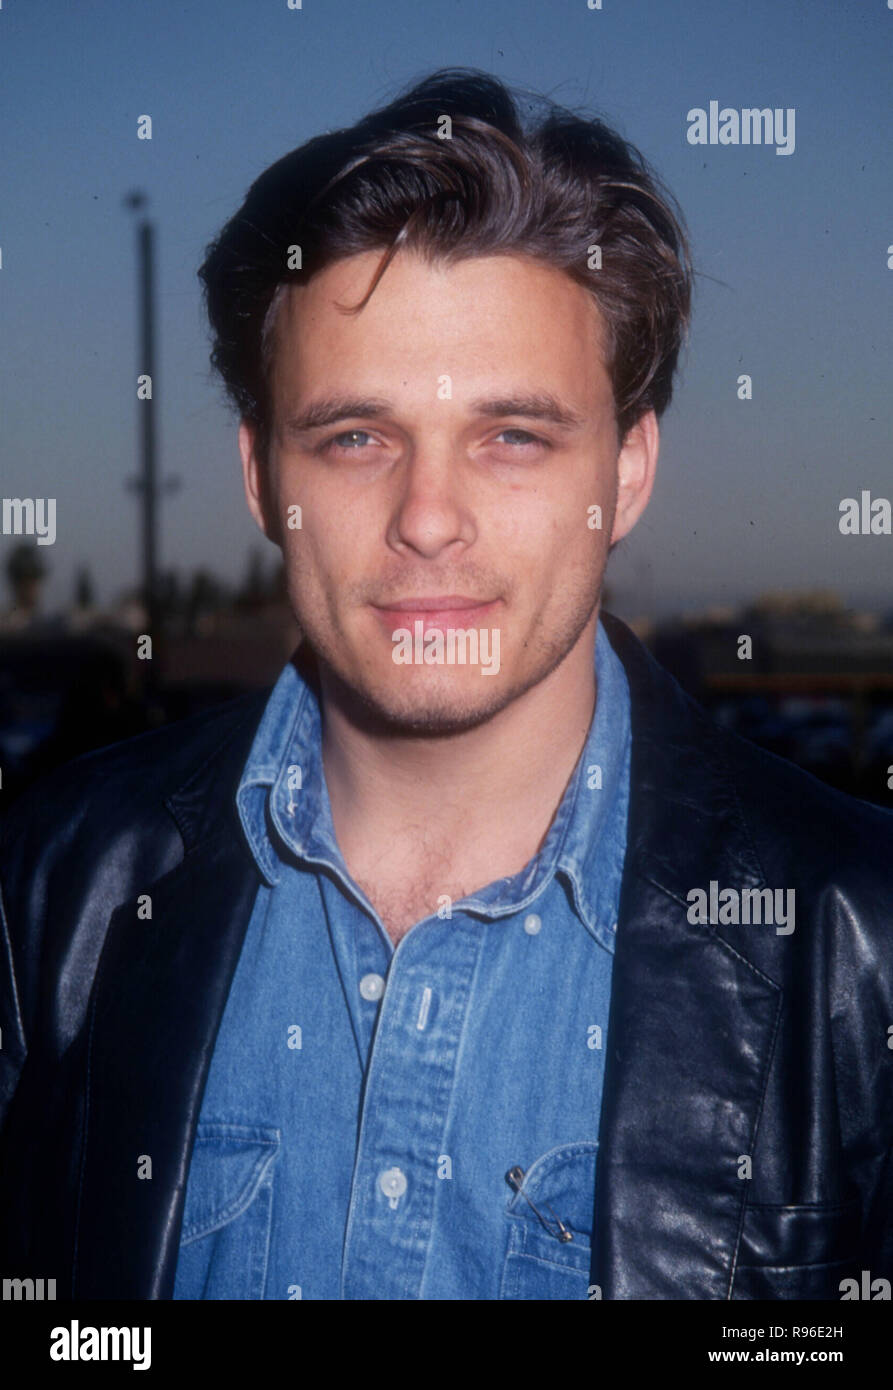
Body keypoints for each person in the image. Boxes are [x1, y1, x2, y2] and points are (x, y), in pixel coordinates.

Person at [1, 68, 891, 1302]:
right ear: (262, 478)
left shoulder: (856, 936)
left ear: (626, 472)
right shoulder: (56, 888)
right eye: (354, 437)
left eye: (512, 437)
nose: (426, 519)